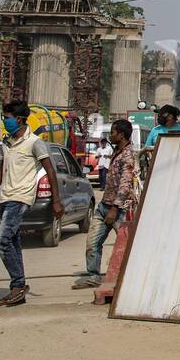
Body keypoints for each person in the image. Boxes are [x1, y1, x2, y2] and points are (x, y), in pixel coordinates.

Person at [0, 100, 64, 308]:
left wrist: (56, 201)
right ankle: (18, 288)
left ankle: (18, 286)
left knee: (2, 240)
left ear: (19, 119)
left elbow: (50, 171)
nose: (5, 121)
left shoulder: (35, 142)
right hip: (5, 198)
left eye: (7, 118)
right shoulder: (7, 143)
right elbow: (1, 174)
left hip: (21, 198)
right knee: (13, 243)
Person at [73, 120, 137, 289]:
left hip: (119, 209)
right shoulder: (117, 151)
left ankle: (131, 276)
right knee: (92, 243)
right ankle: (93, 276)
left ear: (121, 135)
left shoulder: (127, 155)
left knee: (126, 246)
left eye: (113, 132)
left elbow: (125, 185)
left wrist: (115, 209)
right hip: (104, 206)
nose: (111, 135)